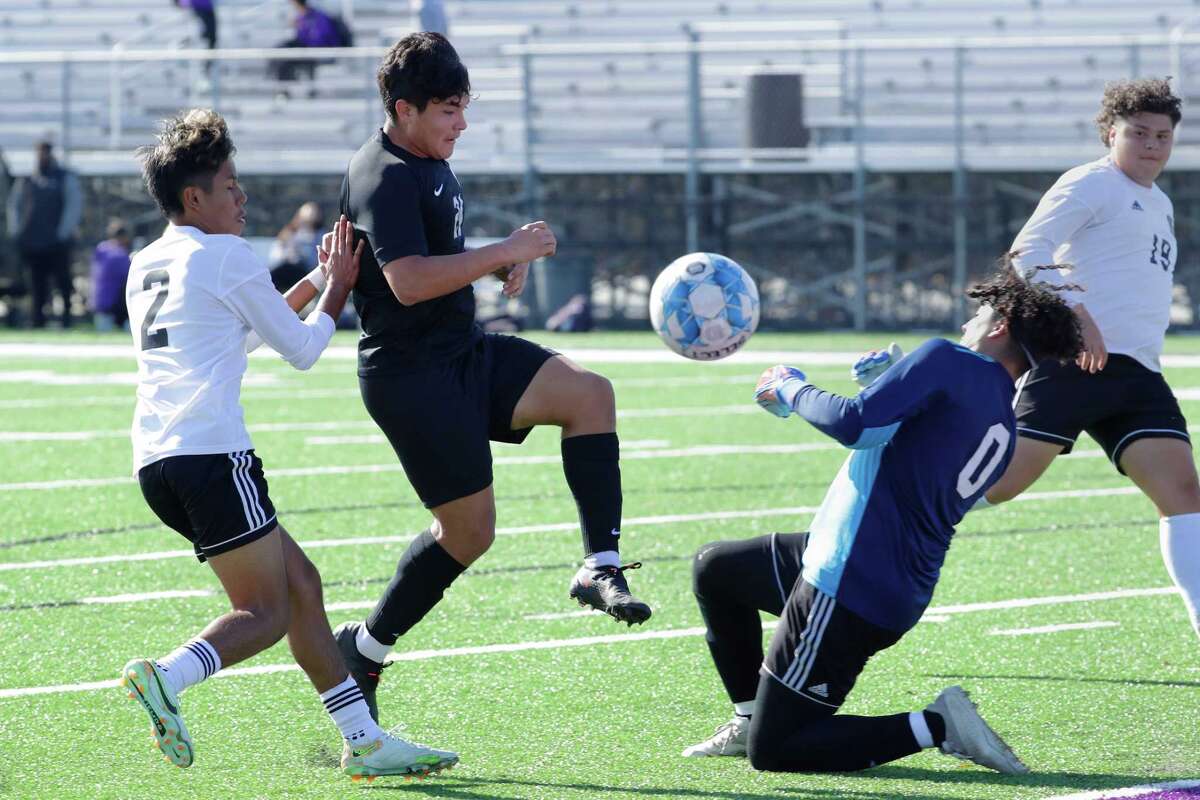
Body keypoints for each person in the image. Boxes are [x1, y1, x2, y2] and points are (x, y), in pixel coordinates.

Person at [118, 108, 457, 783]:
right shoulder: (224, 255)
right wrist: (337, 286)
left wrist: (315, 284)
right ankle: (168, 676)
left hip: (158, 460)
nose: (241, 197)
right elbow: (300, 349)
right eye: (229, 185)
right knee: (267, 612)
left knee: (302, 586)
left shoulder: (146, 261)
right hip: (213, 457)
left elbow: (239, 332)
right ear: (194, 198)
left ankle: (362, 739)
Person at [333, 32, 650, 723]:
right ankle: (364, 647)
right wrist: (503, 250)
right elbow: (409, 281)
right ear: (404, 108)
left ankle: (599, 565)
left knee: (591, 394)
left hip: (463, 352)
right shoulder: (382, 172)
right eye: (449, 109)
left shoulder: (430, 157)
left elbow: (439, 260)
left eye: (463, 108)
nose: (462, 123)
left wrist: (501, 262)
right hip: (411, 377)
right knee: (470, 534)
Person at [682, 264, 1084, 774]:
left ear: (1000, 325)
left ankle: (937, 725)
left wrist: (788, 388)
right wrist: (885, 385)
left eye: (977, 314)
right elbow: (917, 453)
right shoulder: (1003, 415)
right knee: (717, 570)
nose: (966, 324)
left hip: (851, 579)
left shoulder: (949, 359)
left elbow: (854, 425)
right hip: (876, 571)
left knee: (779, 751)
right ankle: (749, 714)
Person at [978, 78, 1200, 645]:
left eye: (1162, 136)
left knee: (1184, 496)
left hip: (1137, 375)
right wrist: (1077, 315)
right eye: (1138, 133)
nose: (1152, 145)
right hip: (1076, 362)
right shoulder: (1090, 182)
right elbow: (1027, 250)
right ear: (1110, 133)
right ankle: (903, 463)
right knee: (999, 487)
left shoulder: (1160, 201)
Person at [6, 139, 81, 328]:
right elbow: (14, 206)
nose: (42, 157)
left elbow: (73, 205)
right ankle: (38, 320)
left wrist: (62, 232)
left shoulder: (63, 177)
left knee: (63, 282)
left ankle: (66, 318)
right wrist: (17, 231)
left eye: (45, 152)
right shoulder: (28, 179)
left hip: (57, 242)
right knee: (36, 284)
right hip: (33, 241)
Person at [273, 0, 343, 82]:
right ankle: (285, 88)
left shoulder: (318, 18)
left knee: (286, 61)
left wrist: (302, 26)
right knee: (283, 50)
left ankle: (288, 89)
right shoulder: (303, 18)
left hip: (320, 52)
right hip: (309, 51)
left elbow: (317, 41)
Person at [268, 201, 323, 292]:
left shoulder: (320, 235)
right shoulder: (290, 232)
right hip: (286, 267)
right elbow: (276, 253)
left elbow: (315, 260)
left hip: (305, 271)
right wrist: (288, 255)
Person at [90, 218, 132, 331]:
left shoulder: (101, 249)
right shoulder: (119, 254)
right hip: (113, 303)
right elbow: (129, 275)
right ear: (123, 236)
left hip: (97, 301)